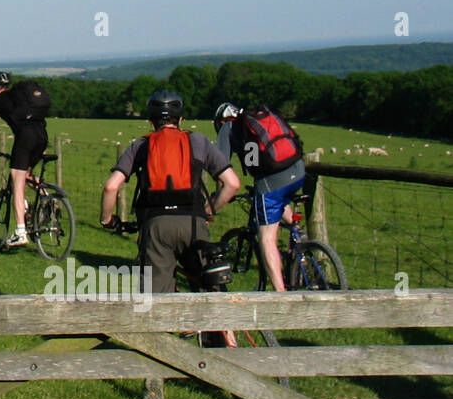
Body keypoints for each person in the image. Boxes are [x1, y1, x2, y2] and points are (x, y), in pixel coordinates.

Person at [99, 89, 240, 294]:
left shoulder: (142, 145)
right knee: (209, 290)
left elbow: (111, 186)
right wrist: (209, 209)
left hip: (155, 226)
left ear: (151, 121)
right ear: (181, 119)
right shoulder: (199, 141)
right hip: (193, 223)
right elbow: (232, 184)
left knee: (157, 299)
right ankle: (222, 326)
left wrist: (106, 220)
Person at [212, 102, 306, 293]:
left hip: (273, 181)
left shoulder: (228, 128)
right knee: (280, 200)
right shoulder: (252, 125)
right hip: (297, 170)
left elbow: (222, 169)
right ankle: (300, 239)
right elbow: (254, 163)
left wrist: (219, 196)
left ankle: (281, 295)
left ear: (221, 120)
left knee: (266, 238)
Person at [0, 72, 48, 248]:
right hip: (42, 135)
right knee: (27, 174)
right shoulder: (20, 94)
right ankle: (48, 197)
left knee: (17, 183)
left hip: (25, 138)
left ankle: (20, 232)